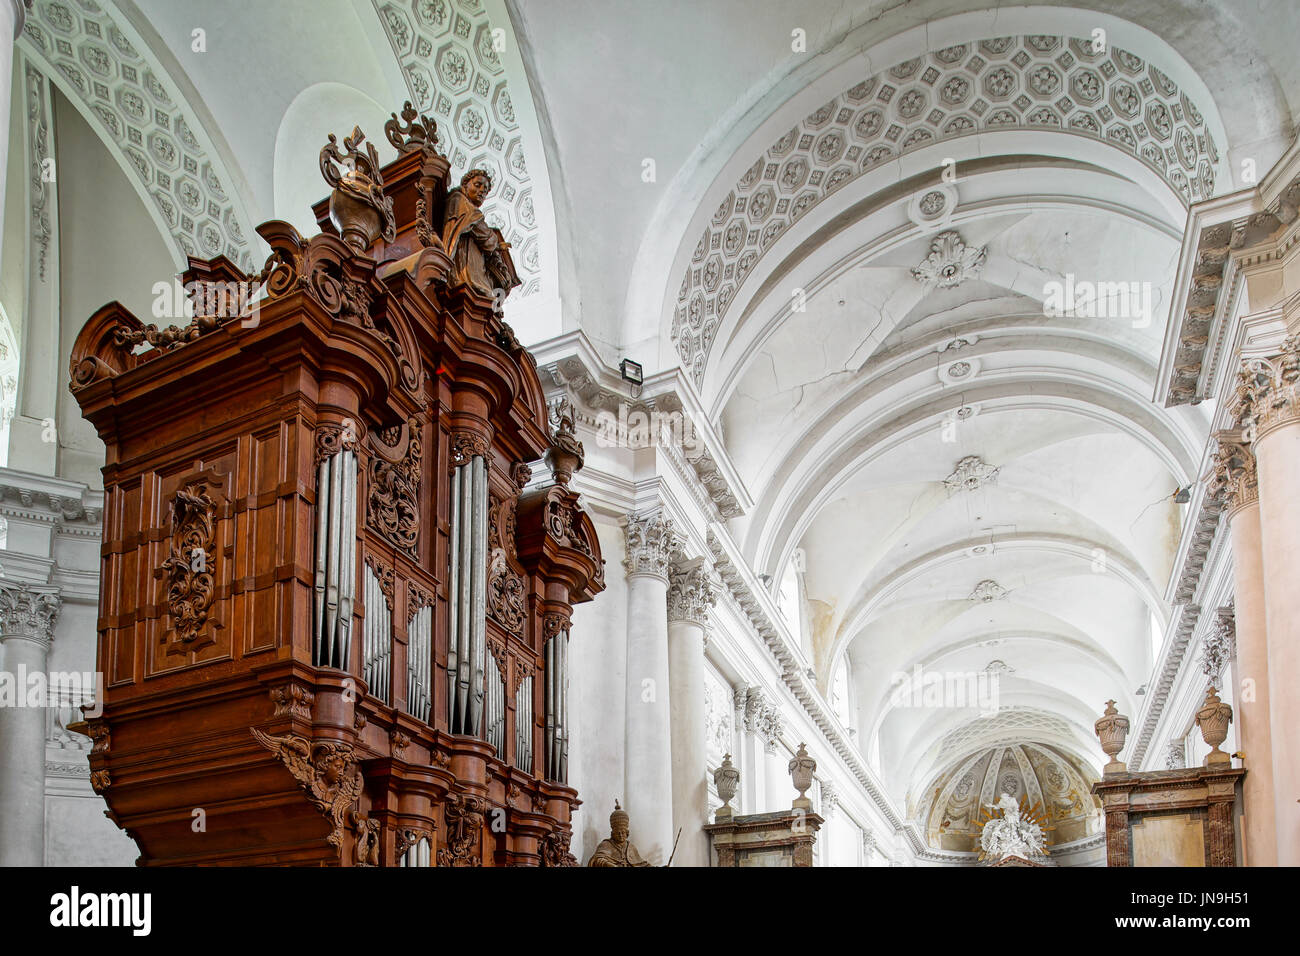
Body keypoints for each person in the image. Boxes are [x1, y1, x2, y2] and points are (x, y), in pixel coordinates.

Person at [441, 168, 518, 297]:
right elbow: (485, 237)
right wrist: (495, 242)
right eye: (477, 185)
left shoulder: (468, 206)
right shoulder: (458, 199)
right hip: (464, 266)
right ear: (465, 185)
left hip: (474, 266)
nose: (482, 190)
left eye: (485, 190)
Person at [586, 801, 652, 867]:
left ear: (627, 833)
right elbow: (597, 860)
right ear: (613, 833)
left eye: (623, 832)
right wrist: (610, 865)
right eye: (618, 833)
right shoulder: (606, 844)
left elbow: (642, 863)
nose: (620, 835)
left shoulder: (631, 847)